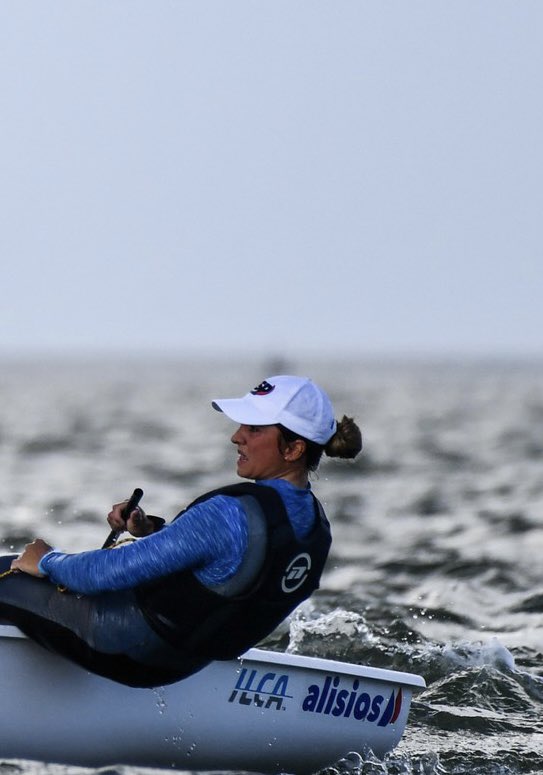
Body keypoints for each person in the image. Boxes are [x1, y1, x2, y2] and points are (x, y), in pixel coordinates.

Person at [0, 375, 362, 687]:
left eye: (253, 429)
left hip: (119, 646)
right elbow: (227, 567)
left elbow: (102, 575)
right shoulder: (315, 527)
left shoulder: (229, 514)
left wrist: (46, 560)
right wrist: (149, 529)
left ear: (294, 448)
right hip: (181, 666)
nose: (237, 437)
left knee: (9, 567)